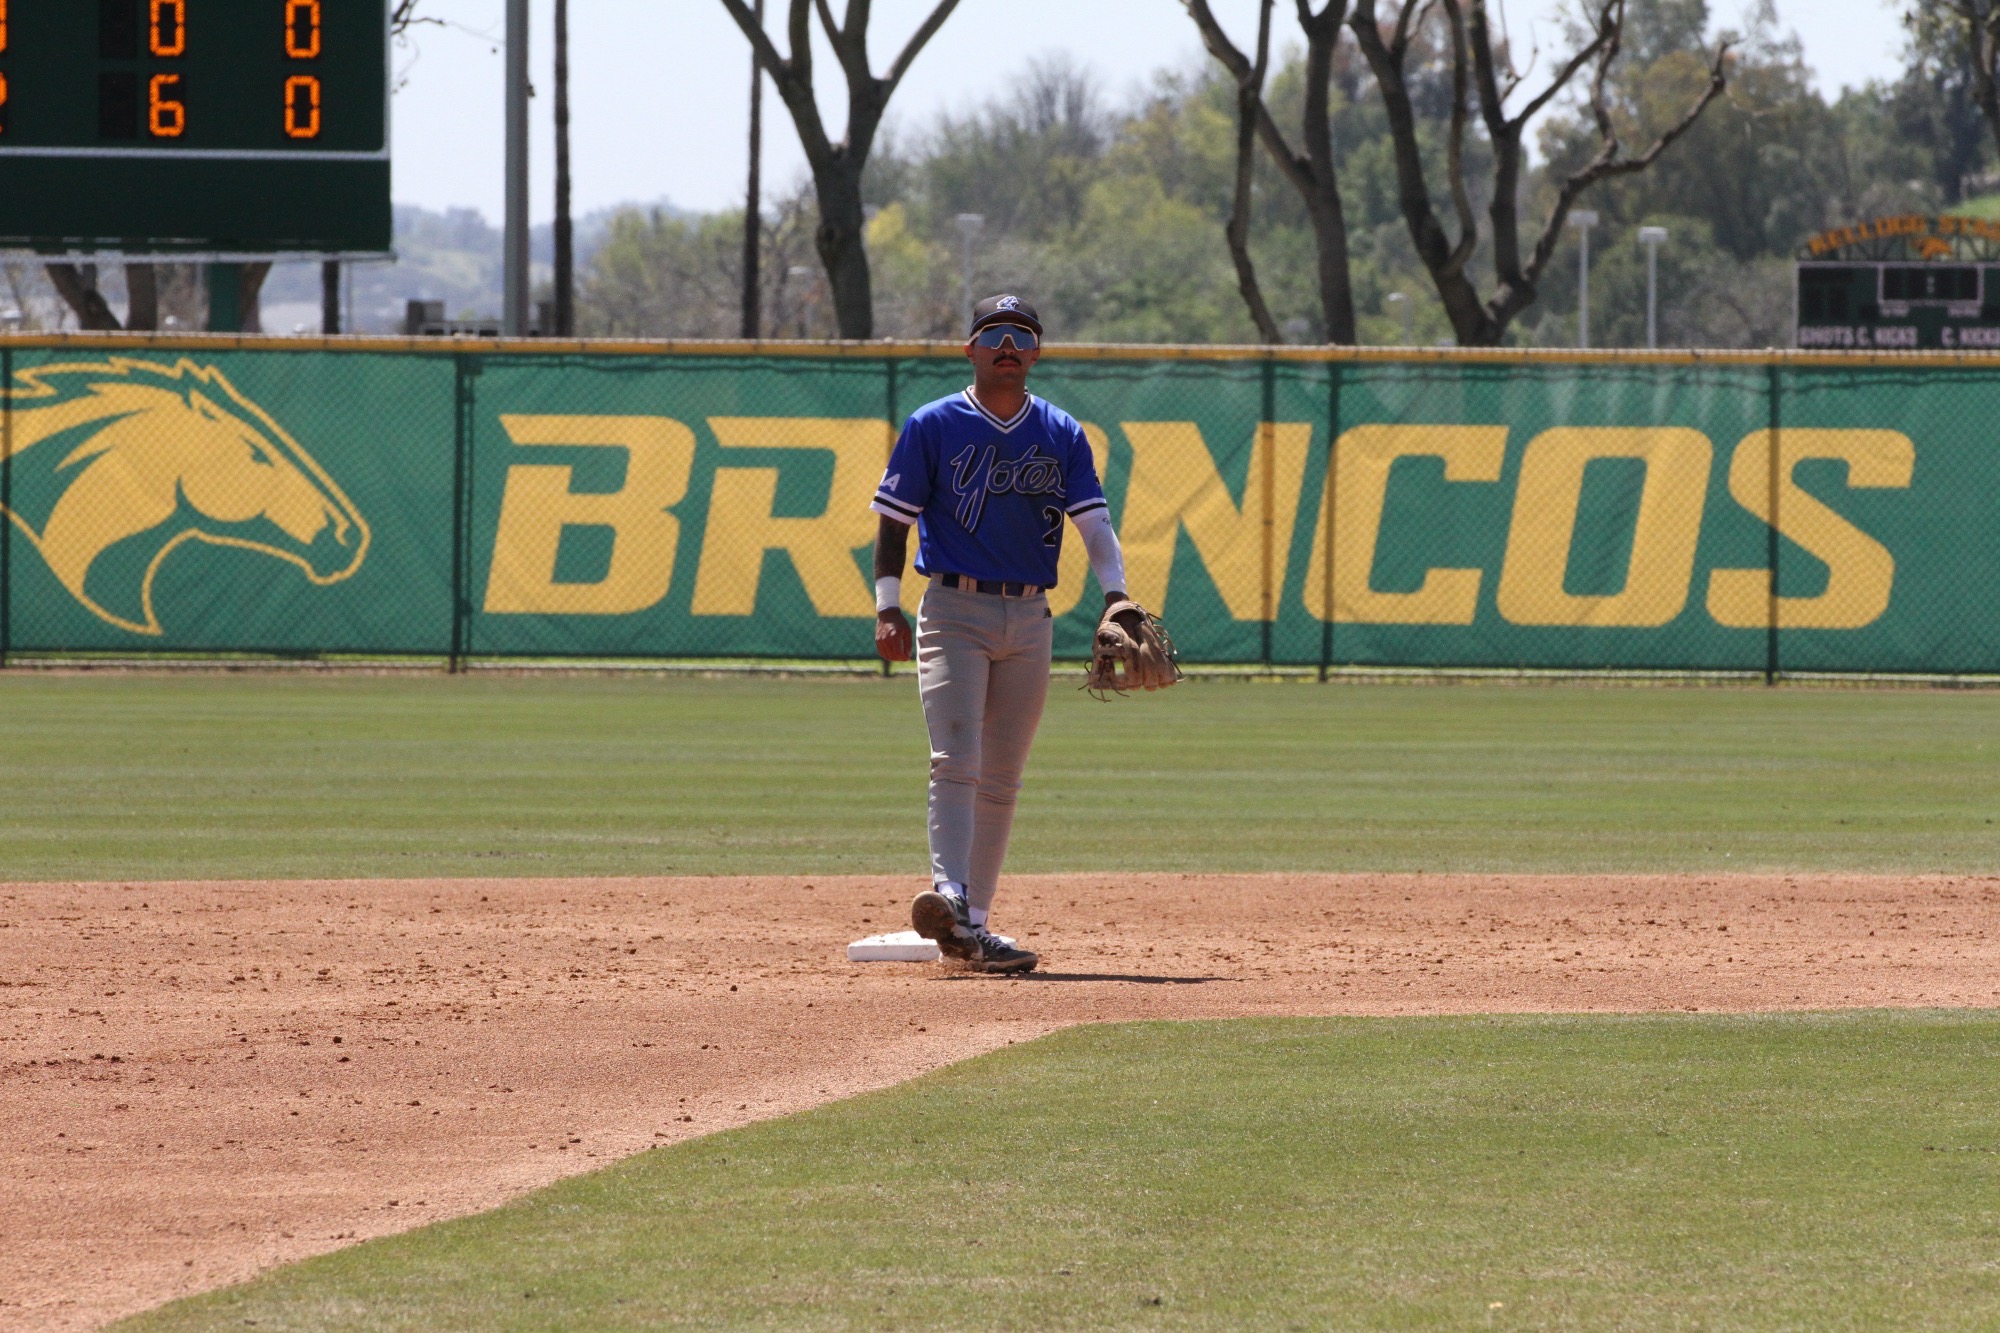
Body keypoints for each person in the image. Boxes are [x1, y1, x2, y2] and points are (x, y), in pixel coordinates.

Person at [871, 295, 1141, 974]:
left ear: (1037, 352)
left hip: (1030, 617)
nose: (1009, 345)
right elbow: (894, 521)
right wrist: (888, 604)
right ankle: (952, 897)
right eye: (995, 334)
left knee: (1003, 777)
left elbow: (1095, 526)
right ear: (971, 349)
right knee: (955, 755)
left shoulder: (1059, 431)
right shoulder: (933, 424)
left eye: (1023, 335)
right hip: (953, 609)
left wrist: (1119, 597)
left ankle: (974, 929)